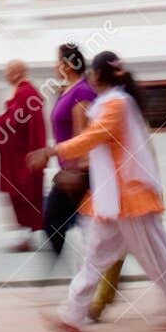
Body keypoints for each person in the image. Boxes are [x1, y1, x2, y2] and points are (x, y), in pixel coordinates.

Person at [28, 51, 166, 332]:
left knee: (153, 257)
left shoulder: (117, 104)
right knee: (93, 257)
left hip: (129, 197)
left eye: (92, 73)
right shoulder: (110, 103)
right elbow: (94, 140)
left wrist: (54, 150)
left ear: (97, 75)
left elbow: (94, 137)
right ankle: (71, 316)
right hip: (110, 197)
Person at [42, 43, 96, 255]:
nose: (55, 65)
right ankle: (99, 272)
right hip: (70, 167)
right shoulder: (66, 90)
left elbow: (84, 131)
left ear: (68, 65)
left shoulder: (82, 91)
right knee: (88, 222)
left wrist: (78, 166)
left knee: (55, 220)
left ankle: (95, 274)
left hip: (80, 169)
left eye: (58, 61)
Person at [0, 60, 47, 251]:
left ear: (16, 73)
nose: (5, 75)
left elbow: (14, 123)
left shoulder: (26, 93)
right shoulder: (23, 93)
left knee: (25, 196)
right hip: (20, 156)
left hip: (22, 157)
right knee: (21, 196)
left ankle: (29, 237)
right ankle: (28, 236)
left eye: (8, 71)